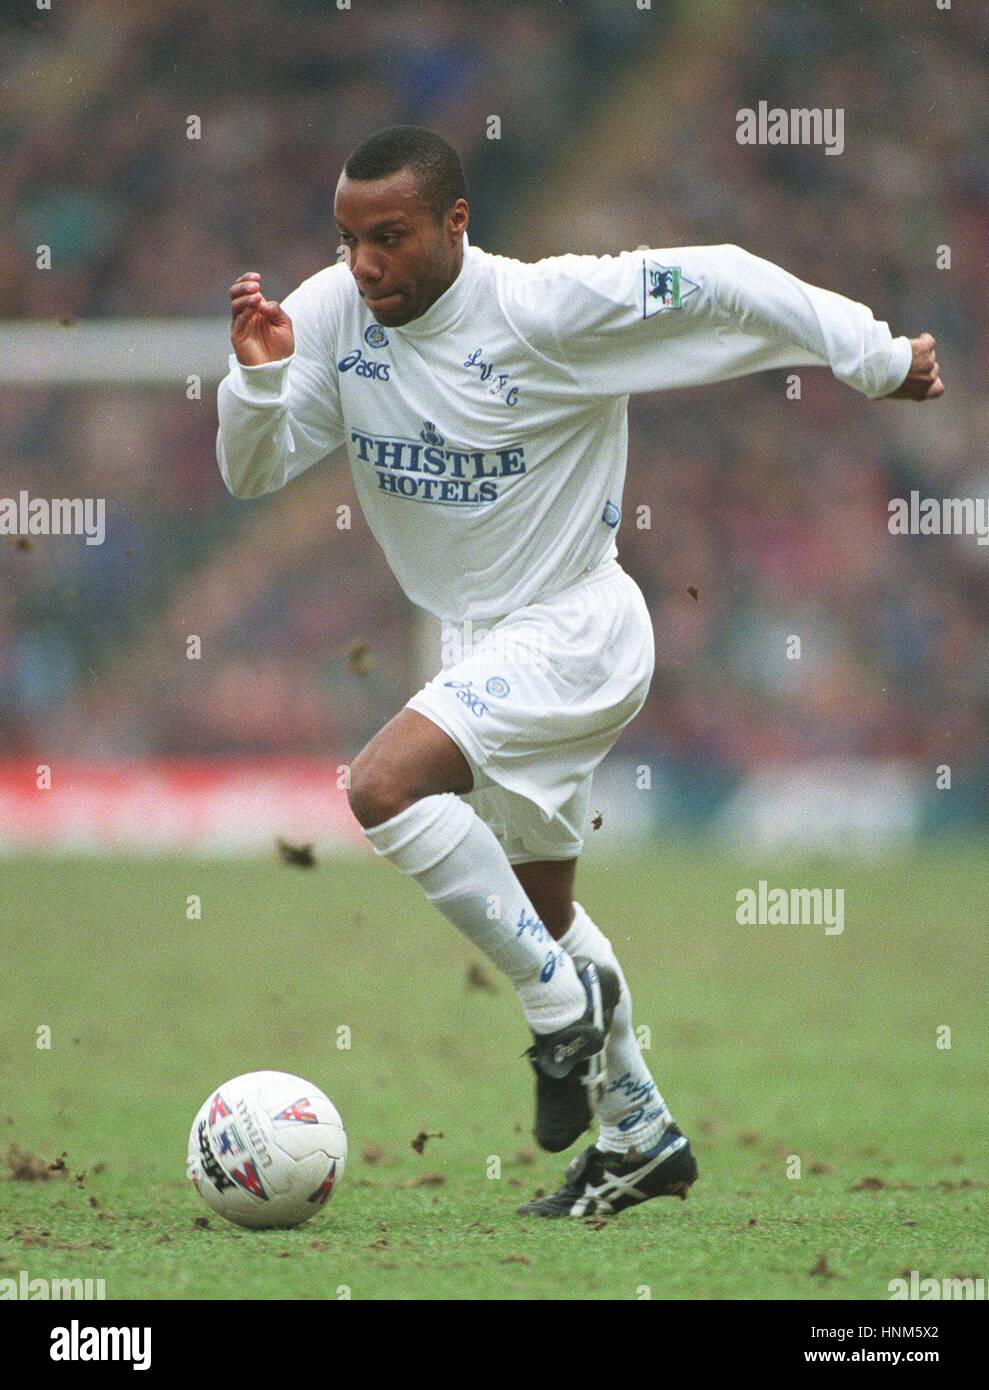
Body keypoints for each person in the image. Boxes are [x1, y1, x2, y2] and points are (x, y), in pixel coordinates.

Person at [216, 125, 943, 1220]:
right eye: (348, 238)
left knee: (378, 787)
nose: (363, 264)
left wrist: (873, 355)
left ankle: (557, 1013)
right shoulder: (329, 313)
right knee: (541, 908)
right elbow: (247, 472)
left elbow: (727, 279)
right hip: (477, 646)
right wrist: (257, 383)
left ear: (456, 223)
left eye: (391, 237)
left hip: (572, 630)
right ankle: (639, 1133)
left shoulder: (544, 309)